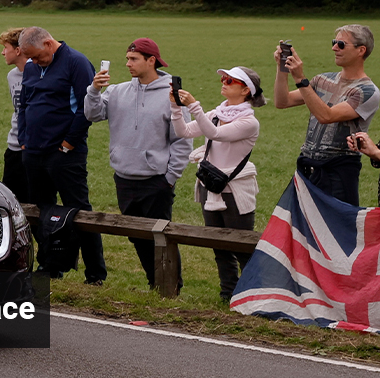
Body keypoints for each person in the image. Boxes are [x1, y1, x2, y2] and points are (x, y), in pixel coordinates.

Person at [85, 38, 191, 290]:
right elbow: (92, 114)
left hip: (156, 180)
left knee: (160, 237)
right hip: (124, 177)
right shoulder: (118, 91)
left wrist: (170, 177)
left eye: (133, 59)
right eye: (127, 58)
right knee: (136, 236)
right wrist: (94, 91)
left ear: (151, 60)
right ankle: (154, 281)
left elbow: (182, 139)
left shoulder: (171, 96)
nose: (128, 64)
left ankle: (170, 285)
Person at [17, 26, 105, 284]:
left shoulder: (76, 63)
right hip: (33, 152)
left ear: (47, 43)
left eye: (36, 56)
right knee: (41, 210)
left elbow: (87, 108)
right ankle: (50, 265)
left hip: (65, 154)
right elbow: (25, 104)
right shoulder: (32, 67)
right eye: (29, 58)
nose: (33, 62)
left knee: (79, 211)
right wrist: (24, 139)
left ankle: (95, 273)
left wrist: (69, 142)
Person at [172, 66, 265, 301]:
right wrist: (175, 108)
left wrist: (194, 107)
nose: (223, 81)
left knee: (242, 247)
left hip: (235, 190)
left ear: (245, 90)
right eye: (224, 78)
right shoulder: (218, 113)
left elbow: (215, 134)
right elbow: (183, 132)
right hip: (210, 186)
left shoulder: (249, 121)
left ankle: (254, 295)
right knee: (219, 246)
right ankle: (228, 294)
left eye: (230, 80)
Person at [274, 25, 379, 205]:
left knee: (336, 231)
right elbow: (283, 102)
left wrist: (300, 79)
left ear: (361, 50)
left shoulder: (367, 91)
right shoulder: (322, 80)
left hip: (338, 173)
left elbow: (326, 115)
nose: (334, 48)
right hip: (307, 167)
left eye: (341, 44)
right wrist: (283, 70)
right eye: (334, 42)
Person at [0, 27, 30, 202]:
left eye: (6, 48)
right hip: (13, 146)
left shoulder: (39, 74)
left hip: (32, 148)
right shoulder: (12, 75)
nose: (2, 52)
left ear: (18, 50)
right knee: (11, 199)